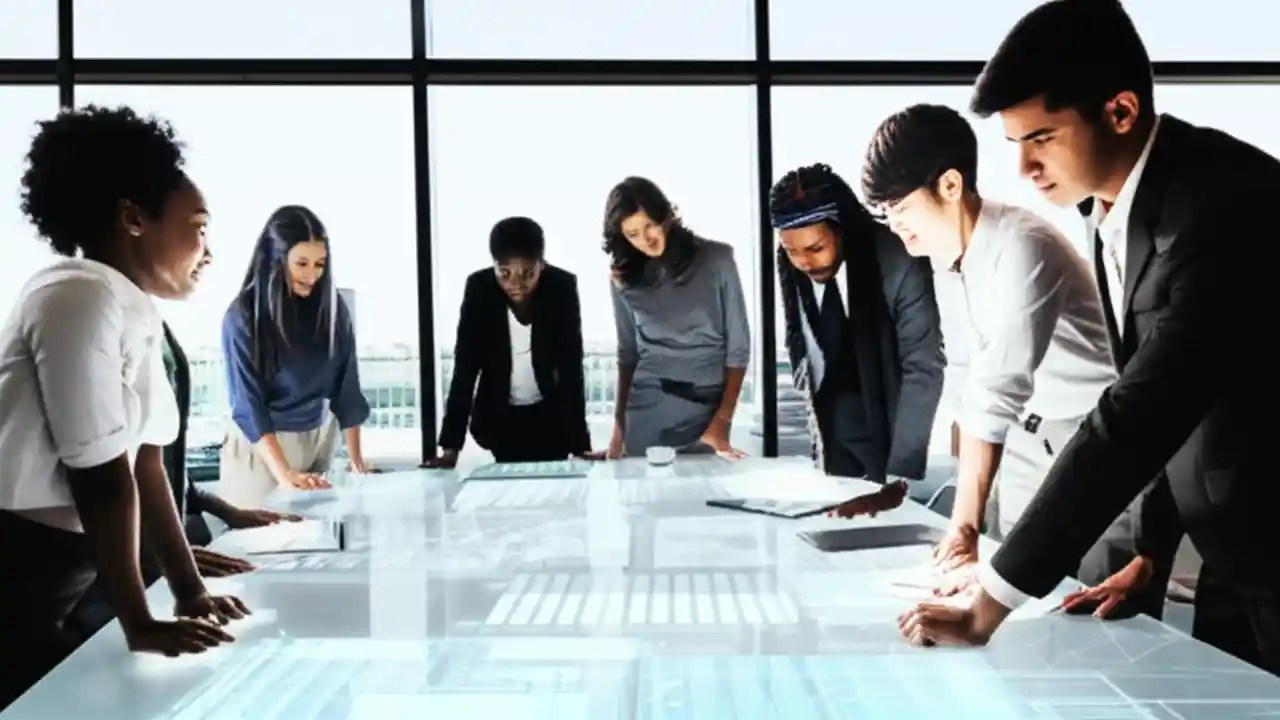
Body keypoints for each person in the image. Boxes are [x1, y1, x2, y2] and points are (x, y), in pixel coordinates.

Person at [897, 0, 1280, 677]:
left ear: (1121, 112)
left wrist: (992, 600)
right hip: (1230, 546)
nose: (1024, 169)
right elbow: (1179, 392)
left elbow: (1140, 410)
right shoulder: (1111, 206)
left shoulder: (1223, 206)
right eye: (1015, 144)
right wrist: (1154, 550)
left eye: (1041, 138)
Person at [858, 103, 1161, 611]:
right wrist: (967, 523)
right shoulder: (944, 259)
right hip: (1025, 441)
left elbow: (997, 390)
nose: (894, 225)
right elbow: (965, 378)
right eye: (884, 214)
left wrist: (964, 524)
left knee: (1101, 614)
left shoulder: (1023, 244)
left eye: (900, 208)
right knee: (1021, 603)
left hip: (1099, 438)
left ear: (950, 186)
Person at [0, 105, 248, 710]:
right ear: (134, 219)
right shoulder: (77, 294)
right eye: (198, 225)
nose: (208, 249)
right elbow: (99, 475)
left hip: (62, 569)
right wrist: (142, 623)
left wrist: (189, 590)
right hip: (16, 566)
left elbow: (147, 467)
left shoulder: (131, 306)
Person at [71, 322, 304, 638]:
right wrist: (164, 555)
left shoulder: (147, 320)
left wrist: (227, 512)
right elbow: (105, 475)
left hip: (167, 548)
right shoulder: (96, 322)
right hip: (109, 568)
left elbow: (167, 466)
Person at [771, 163, 945, 513]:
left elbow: (923, 365)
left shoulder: (898, 259)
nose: (803, 261)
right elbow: (799, 337)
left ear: (843, 229)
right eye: (792, 251)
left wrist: (897, 478)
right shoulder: (792, 259)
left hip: (890, 428)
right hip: (834, 436)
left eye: (816, 247)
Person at [219, 205, 373, 508]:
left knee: (320, 547)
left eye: (320, 264)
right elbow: (248, 406)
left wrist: (357, 462)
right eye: (301, 263)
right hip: (261, 450)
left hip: (318, 439)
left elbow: (348, 388)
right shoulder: (242, 317)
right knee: (265, 548)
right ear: (277, 260)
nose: (312, 275)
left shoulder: (333, 310)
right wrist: (284, 473)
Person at [425, 216, 596, 467]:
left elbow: (571, 370)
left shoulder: (561, 287)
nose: (516, 284)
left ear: (542, 264)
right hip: (499, 419)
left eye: (527, 273)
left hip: (551, 419)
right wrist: (450, 450)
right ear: (494, 266)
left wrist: (581, 447)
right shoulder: (479, 289)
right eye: (504, 273)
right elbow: (465, 370)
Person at [604, 177, 751, 459]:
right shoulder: (622, 278)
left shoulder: (717, 259)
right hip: (646, 412)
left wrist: (722, 422)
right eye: (632, 234)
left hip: (706, 412)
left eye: (649, 226)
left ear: (667, 217)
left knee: (706, 499)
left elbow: (739, 350)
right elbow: (628, 355)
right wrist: (619, 430)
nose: (645, 240)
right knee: (645, 501)